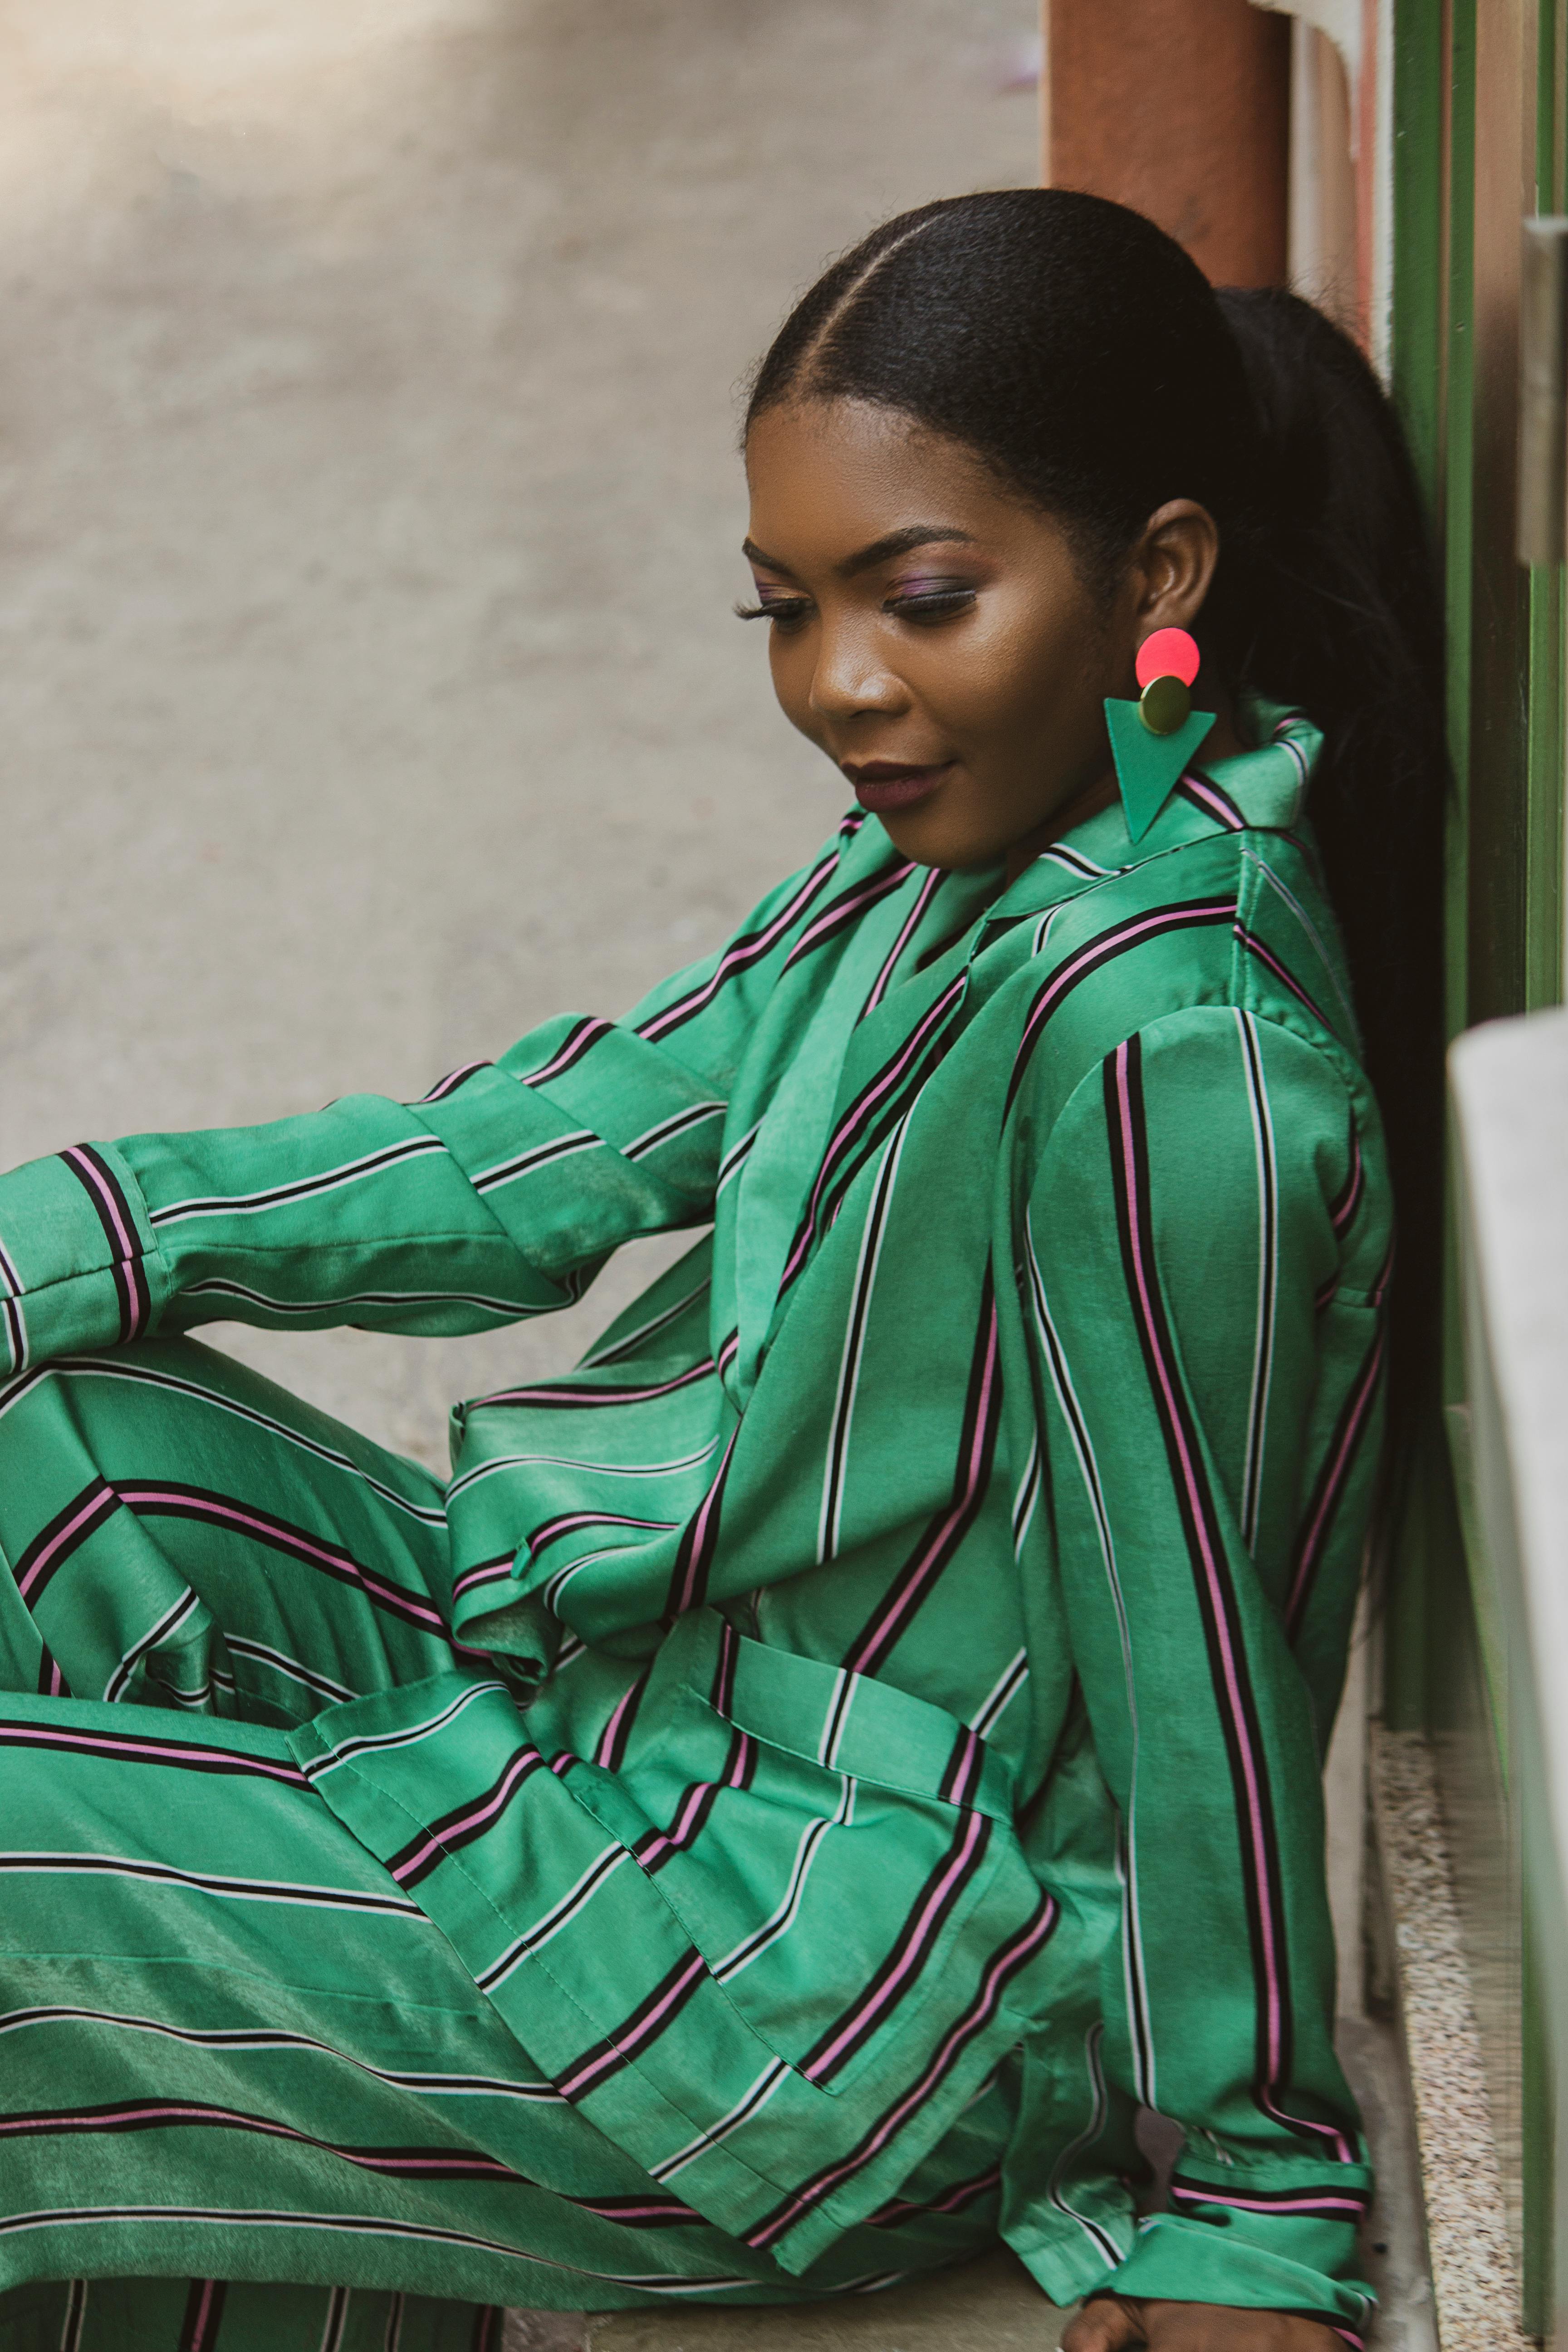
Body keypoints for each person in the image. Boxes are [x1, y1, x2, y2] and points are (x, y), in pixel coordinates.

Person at [0, 188, 1444, 2352]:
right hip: (640, 1730)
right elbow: (544, 1147)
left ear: (1157, 575)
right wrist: (55, 1234)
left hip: (824, 1988)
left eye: (921, 598)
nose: (841, 684)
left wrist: (1248, 2194)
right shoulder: (953, 852)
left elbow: (1194, 1656)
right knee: (60, 1442)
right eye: (785, 608)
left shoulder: (1170, 1049)